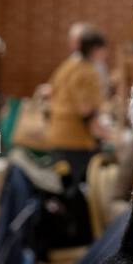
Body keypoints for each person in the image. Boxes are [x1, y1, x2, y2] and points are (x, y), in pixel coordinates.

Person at [44, 25, 108, 184]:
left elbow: (50, 91)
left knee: (61, 189)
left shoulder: (66, 66)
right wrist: (106, 135)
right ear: (95, 49)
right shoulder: (88, 71)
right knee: (79, 192)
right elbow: (85, 109)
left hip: (56, 134)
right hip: (76, 139)